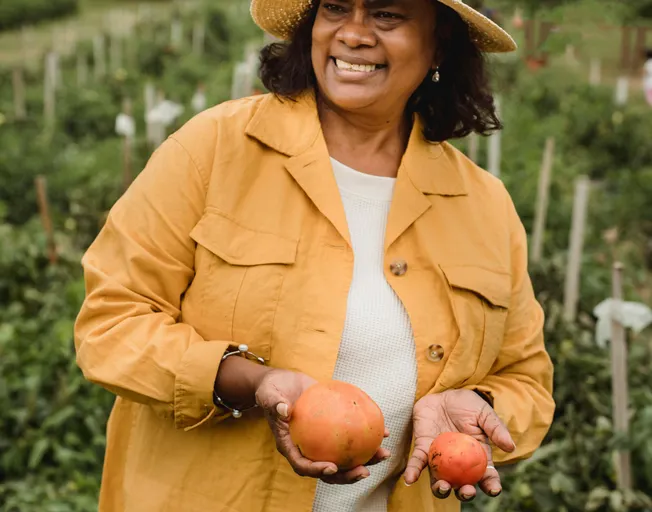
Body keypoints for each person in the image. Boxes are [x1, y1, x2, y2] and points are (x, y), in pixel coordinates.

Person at [73, 1, 555, 511]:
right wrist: (251, 380)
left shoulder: (482, 206)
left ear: (440, 43)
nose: (353, 34)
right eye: (336, 8)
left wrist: (475, 405)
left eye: (386, 15)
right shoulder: (215, 150)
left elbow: (526, 379)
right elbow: (111, 324)